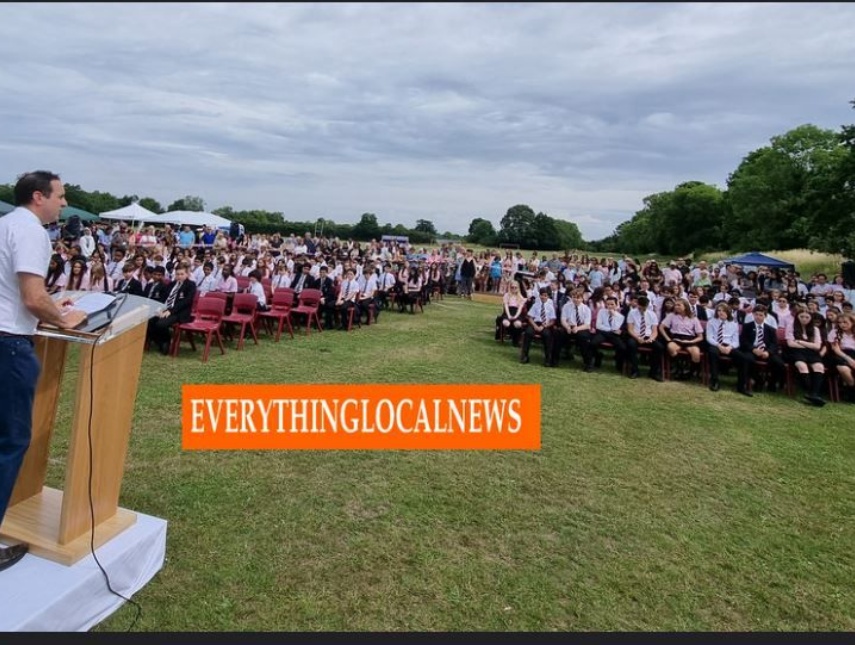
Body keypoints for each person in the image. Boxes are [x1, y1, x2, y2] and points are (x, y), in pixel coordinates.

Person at [0, 171, 87, 572]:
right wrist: (65, 320)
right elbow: (33, 299)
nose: (63, 204)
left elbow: (17, 292)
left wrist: (53, 305)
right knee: (11, 441)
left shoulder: (5, 225)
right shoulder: (33, 232)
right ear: (39, 197)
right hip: (10, 345)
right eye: (60, 196)